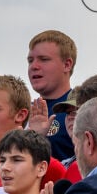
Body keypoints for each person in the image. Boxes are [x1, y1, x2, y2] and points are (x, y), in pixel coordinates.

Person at [25, 30, 79, 162]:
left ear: (67, 65)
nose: (34, 66)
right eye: (30, 61)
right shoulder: (23, 112)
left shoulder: (78, 108)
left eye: (44, 59)